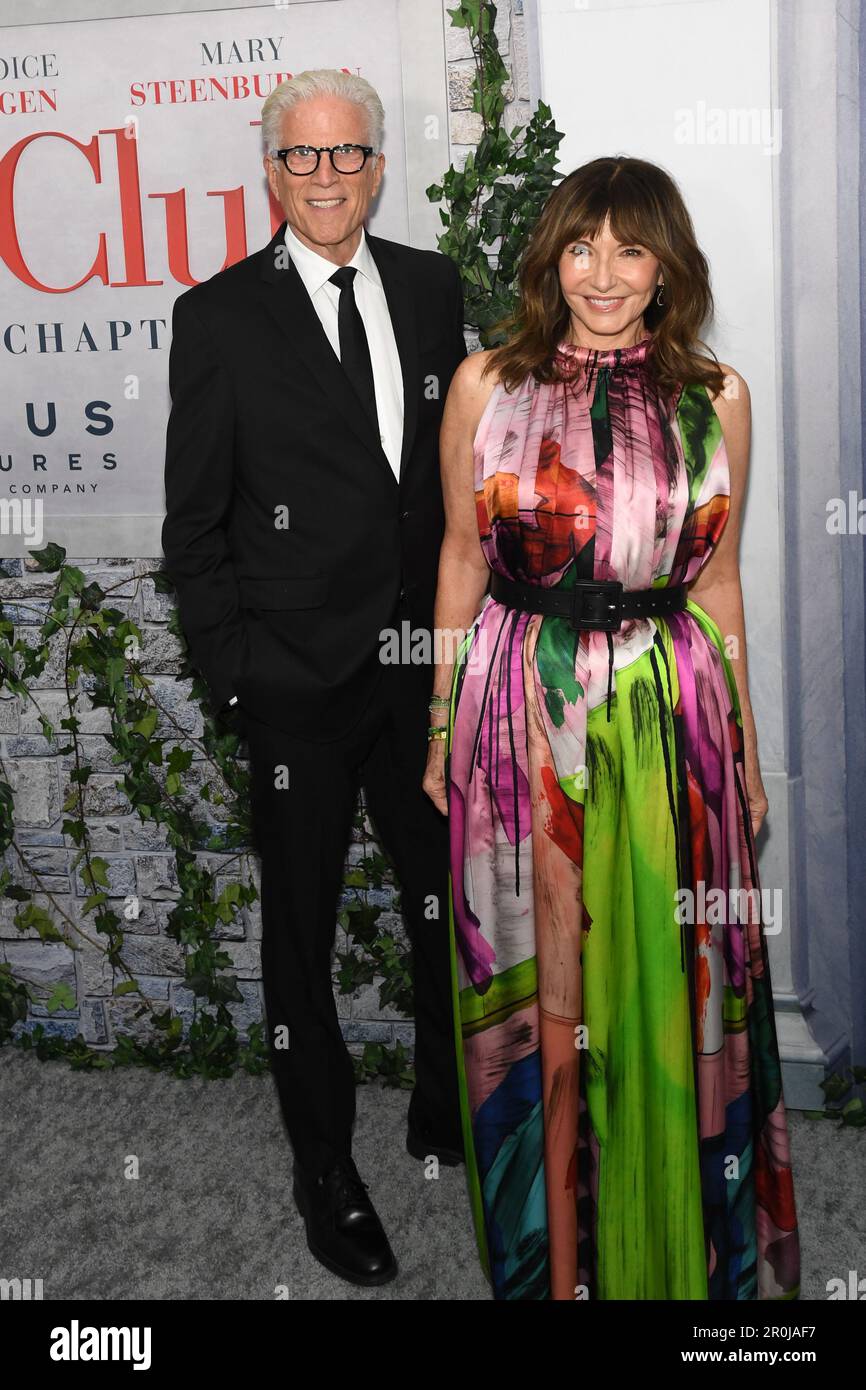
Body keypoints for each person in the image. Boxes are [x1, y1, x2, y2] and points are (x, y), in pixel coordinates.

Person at [423, 156, 801, 1301]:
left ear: (663, 266)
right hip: (517, 698)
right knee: (549, 998)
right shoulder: (485, 383)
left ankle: (662, 1258)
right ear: (551, 256)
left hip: (661, 701)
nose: (601, 273)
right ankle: (556, 1268)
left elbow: (719, 586)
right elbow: (453, 558)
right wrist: (439, 724)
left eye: (628, 249)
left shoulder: (716, 394)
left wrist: (737, 743)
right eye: (579, 245)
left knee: (658, 983)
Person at [162, 69, 467, 1288]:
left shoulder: (435, 288)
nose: (327, 176)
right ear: (272, 170)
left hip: (419, 675)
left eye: (347, 155)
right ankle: (322, 1165)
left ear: (378, 165)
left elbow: (450, 485)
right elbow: (196, 529)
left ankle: (449, 1108)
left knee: (444, 904)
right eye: (303, 157)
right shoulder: (220, 316)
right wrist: (239, 679)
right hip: (292, 680)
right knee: (297, 931)